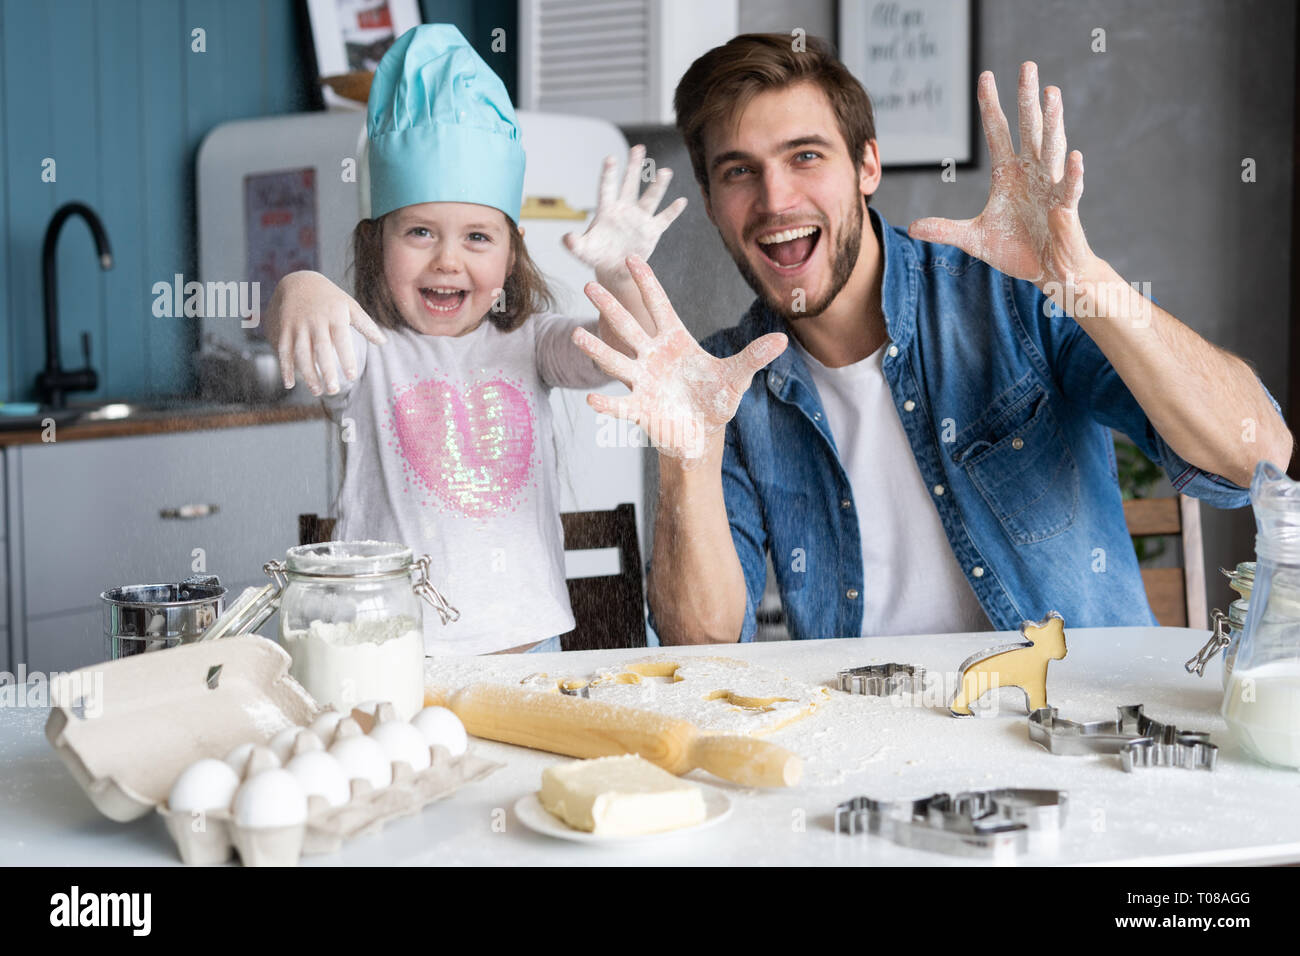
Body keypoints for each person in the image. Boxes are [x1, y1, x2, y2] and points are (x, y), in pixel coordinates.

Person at [570, 33, 1292, 644]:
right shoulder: (729, 385)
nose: (776, 200)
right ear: (712, 205)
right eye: (738, 171)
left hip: (1072, 739)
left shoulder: (1015, 298)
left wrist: (1083, 279)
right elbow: (704, 646)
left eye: (806, 156)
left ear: (867, 167)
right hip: (867, 751)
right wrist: (688, 456)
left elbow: (1259, 454)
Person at [264, 25, 684, 655]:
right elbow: (297, 332)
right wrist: (296, 288)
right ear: (376, 242)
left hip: (528, 649)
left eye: (477, 238)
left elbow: (619, 356)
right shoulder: (368, 349)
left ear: (513, 253)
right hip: (392, 652)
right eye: (420, 233)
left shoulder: (533, 343)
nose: (448, 260)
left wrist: (620, 279)